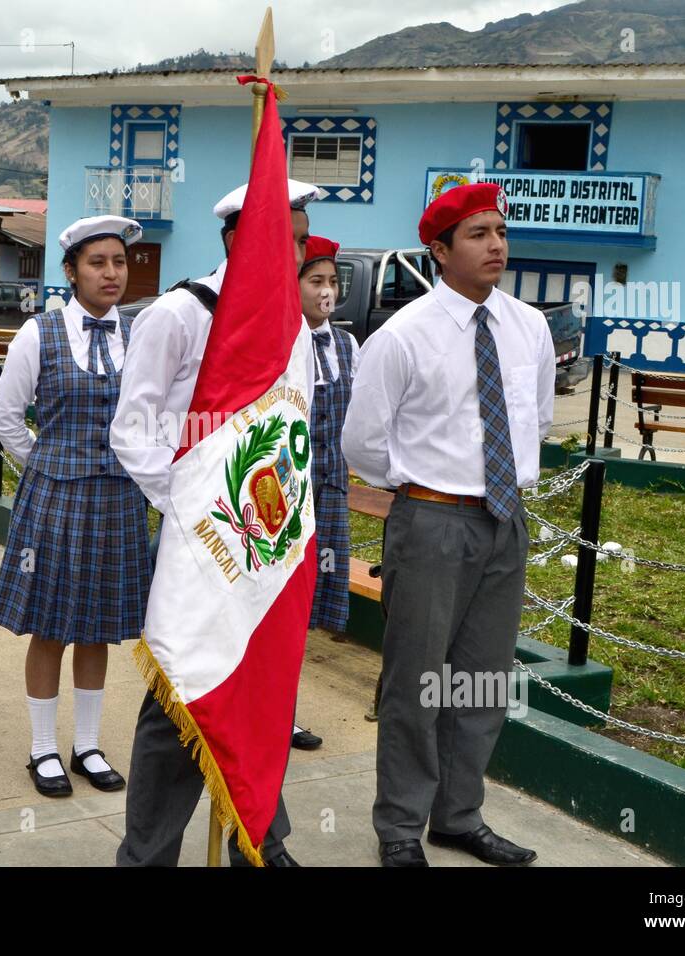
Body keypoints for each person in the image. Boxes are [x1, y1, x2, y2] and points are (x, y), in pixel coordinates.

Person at [109, 179, 322, 867]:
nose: (297, 251)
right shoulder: (177, 315)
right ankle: (148, 854)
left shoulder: (296, 329)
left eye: (300, 238)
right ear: (238, 239)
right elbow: (132, 430)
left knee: (260, 684)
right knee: (182, 695)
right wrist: (193, 509)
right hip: (201, 540)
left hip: (264, 543)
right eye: (282, 237)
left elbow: (296, 429)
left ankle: (259, 838)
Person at [341, 182, 554, 868]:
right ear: (439, 250)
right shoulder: (403, 336)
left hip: (504, 519)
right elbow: (363, 444)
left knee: (483, 680)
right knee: (416, 683)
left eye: (500, 231)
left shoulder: (530, 327)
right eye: (477, 234)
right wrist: (425, 485)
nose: (497, 245)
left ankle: (459, 816)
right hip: (432, 521)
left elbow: (537, 423)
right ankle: (400, 827)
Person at [0, 216, 150, 798]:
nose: (111, 273)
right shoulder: (40, 333)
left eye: (119, 262)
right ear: (71, 271)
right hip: (57, 499)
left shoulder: (141, 334)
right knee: (51, 625)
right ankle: (42, 749)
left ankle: (87, 744)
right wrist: (49, 463)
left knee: (100, 628)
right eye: (97, 263)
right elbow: (6, 418)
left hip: (120, 500)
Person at [292, 234, 361, 753]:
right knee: (280, 603)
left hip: (330, 488)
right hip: (287, 491)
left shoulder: (345, 344)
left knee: (309, 607)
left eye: (333, 282)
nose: (327, 292)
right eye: (316, 280)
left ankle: (285, 712)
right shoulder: (280, 340)